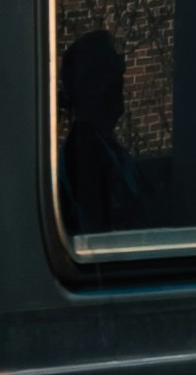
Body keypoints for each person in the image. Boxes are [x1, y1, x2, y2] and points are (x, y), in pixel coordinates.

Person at [57, 29, 144, 234]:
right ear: (92, 86)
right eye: (113, 73)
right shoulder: (84, 154)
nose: (121, 77)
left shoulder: (101, 145)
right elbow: (102, 235)